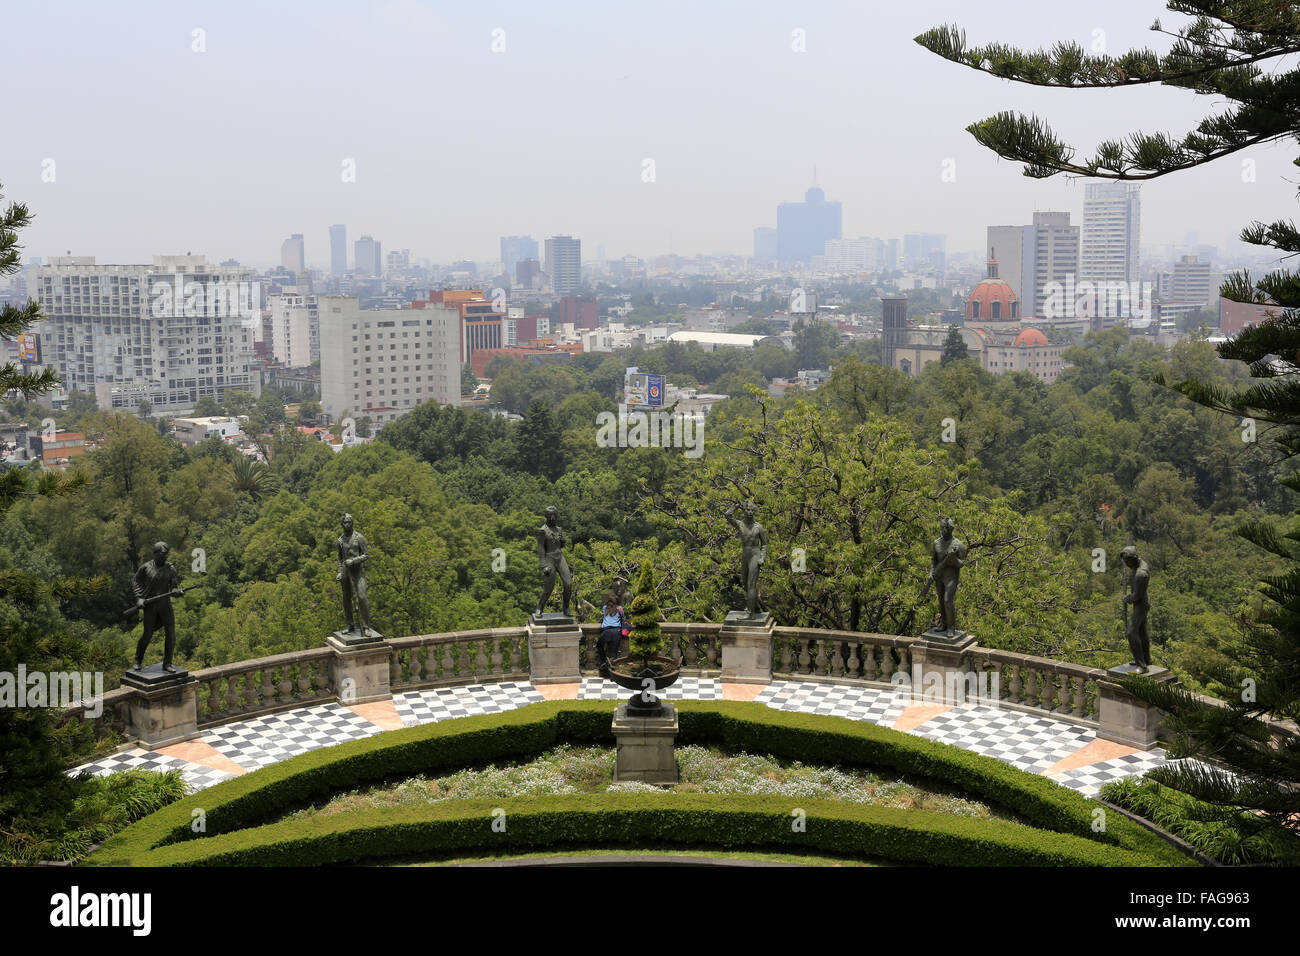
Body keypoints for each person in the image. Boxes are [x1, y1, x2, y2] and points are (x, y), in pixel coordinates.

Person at [133, 541, 184, 671]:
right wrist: (139, 598)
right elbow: (136, 581)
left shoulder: (171, 569)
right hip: (150, 605)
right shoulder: (145, 568)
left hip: (165, 605)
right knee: (147, 634)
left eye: (166, 555)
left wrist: (176, 592)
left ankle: (167, 663)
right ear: (155, 554)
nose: (165, 557)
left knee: (171, 634)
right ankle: (138, 659)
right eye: (162, 555)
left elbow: (173, 586)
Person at [535, 505, 573, 616]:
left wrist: (563, 541)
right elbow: (541, 549)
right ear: (547, 517)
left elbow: (560, 544)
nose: (554, 518)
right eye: (552, 516)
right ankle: (540, 606)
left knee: (568, 583)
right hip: (549, 558)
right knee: (549, 587)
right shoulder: (542, 531)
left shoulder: (558, 529)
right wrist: (543, 565)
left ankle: (566, 607)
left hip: (560, 557)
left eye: (556, 516)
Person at [337, 512, 370, 633]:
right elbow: (340, 558)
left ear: (352, 523)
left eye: (349, 522)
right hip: (346, 572)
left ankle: (366, 626)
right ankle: (350, 624)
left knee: (362, 597)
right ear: (342, 524)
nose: (347, 524)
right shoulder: (340, 540)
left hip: (357, 572)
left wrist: (354, 560)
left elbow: (366, 555)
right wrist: (339, 572)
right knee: (346, 599)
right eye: (345, 522)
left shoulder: (359, 537)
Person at [598, 593, 629, 671]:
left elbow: (604, 617)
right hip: (617, 631)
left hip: (606, 632)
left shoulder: (605, 608)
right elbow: (623, 619)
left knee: (599, 645)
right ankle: (612, 670)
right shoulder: (620, 609)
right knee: (614, 652)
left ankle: (603, 661)